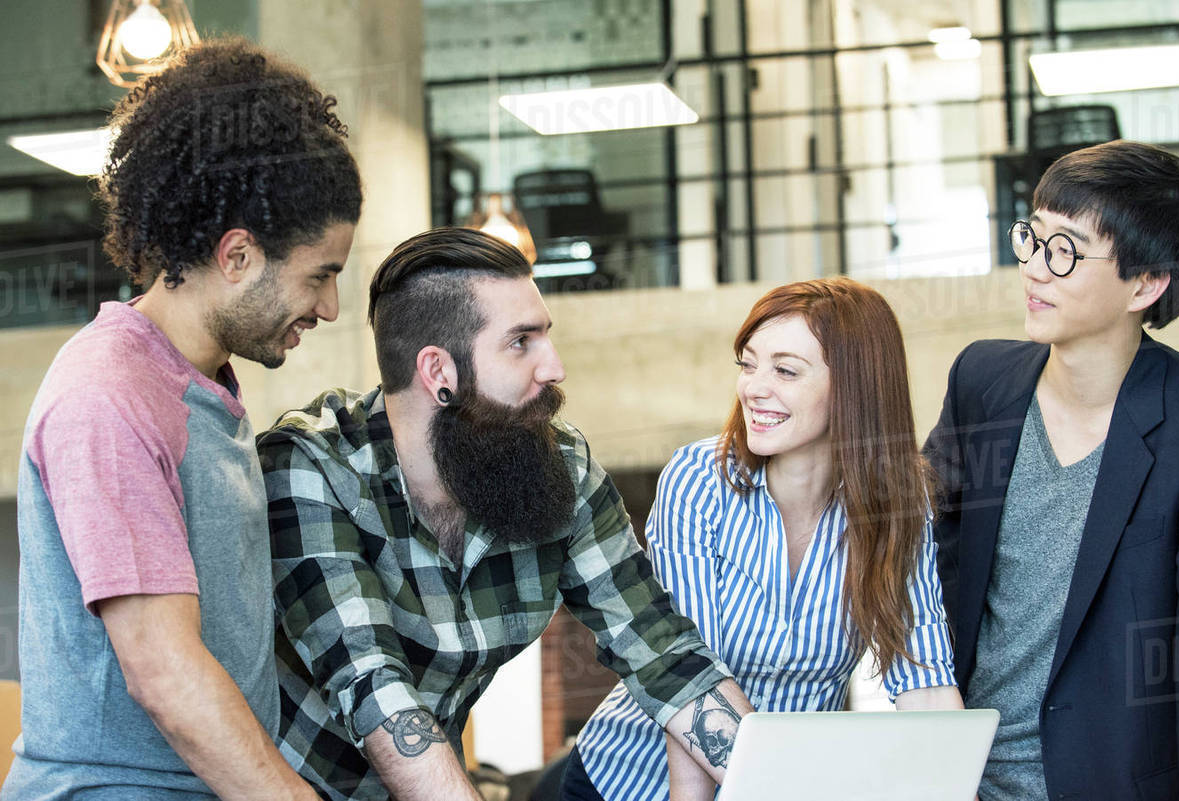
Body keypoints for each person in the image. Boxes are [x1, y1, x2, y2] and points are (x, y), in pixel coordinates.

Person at [257, 227, 754, 801]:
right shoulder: (312, 469)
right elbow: (372, 687)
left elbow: (664, 654)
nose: (555, 367)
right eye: (522, 342)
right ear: (438, 371)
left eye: (547, 337)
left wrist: (777, 785)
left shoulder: (558, 466)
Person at [2, 38, 361, 801]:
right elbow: (162, 670)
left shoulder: (200, 386)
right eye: (320, 275)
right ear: (238, 256)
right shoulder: (109, 395)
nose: (329, 307)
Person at [565, 277, 963, 801]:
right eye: (748, 364)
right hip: (629, 781)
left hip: (778, 786)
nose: (753, 387)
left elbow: (924, 676)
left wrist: (955, 786)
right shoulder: (698, 480)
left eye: (785, 370)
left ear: (854, 386)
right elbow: (686, 676)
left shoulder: (900, 503)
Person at [924, 140, 1179, 801]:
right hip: (964, 779)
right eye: (1033, 237)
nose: (1034, 270)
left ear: (1146, 282)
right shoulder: (980, 381)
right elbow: (923, 558)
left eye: (1066, 250)